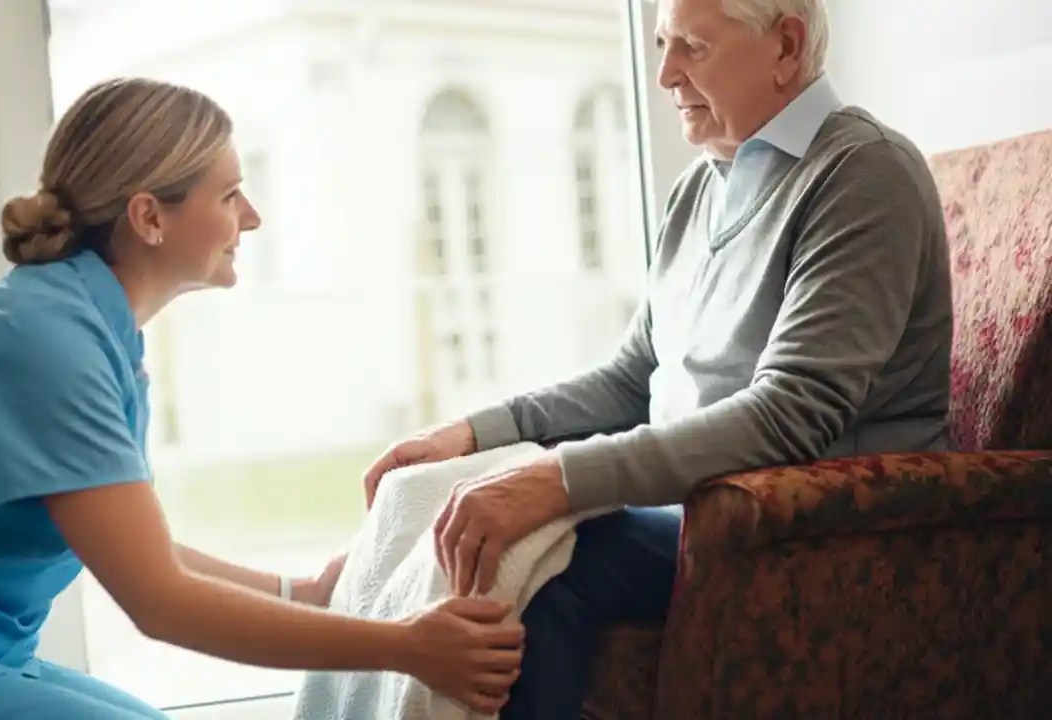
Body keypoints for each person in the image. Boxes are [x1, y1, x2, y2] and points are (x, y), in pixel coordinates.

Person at [0, 78, 524, 720]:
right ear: (149, 217)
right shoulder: (44, 340)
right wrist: (407, 648)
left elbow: (137, 546)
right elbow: (158, 600)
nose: (251, 218)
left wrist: (308, 590)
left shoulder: (86, 329)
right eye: (230, 194)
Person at [362, 0, 952, 717]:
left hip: (808, 529)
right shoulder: (702, 185)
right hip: (689, 510)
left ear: (786, 47)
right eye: (663, 43)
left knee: (537, 562)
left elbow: (793, 414)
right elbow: (634, 374)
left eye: (694, 48)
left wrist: (557, 479)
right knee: (420, 497)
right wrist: (474, 433)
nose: (666, 73)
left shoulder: (863, 174)